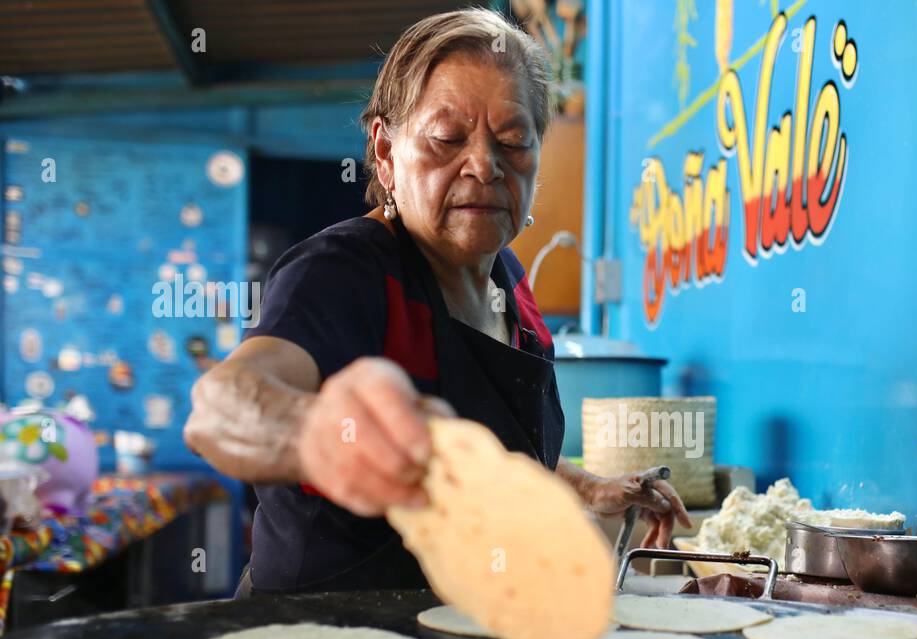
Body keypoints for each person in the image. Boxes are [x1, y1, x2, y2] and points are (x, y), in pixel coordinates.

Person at [184, 8, 689, 596]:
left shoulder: (512, 286)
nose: (483, 165)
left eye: (514, 142)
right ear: (384, 148)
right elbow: (220, 409)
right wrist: (314, 431)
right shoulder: (341, 274)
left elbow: (495, 450)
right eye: (447, 138)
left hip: (462, 636)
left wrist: (591, 489)